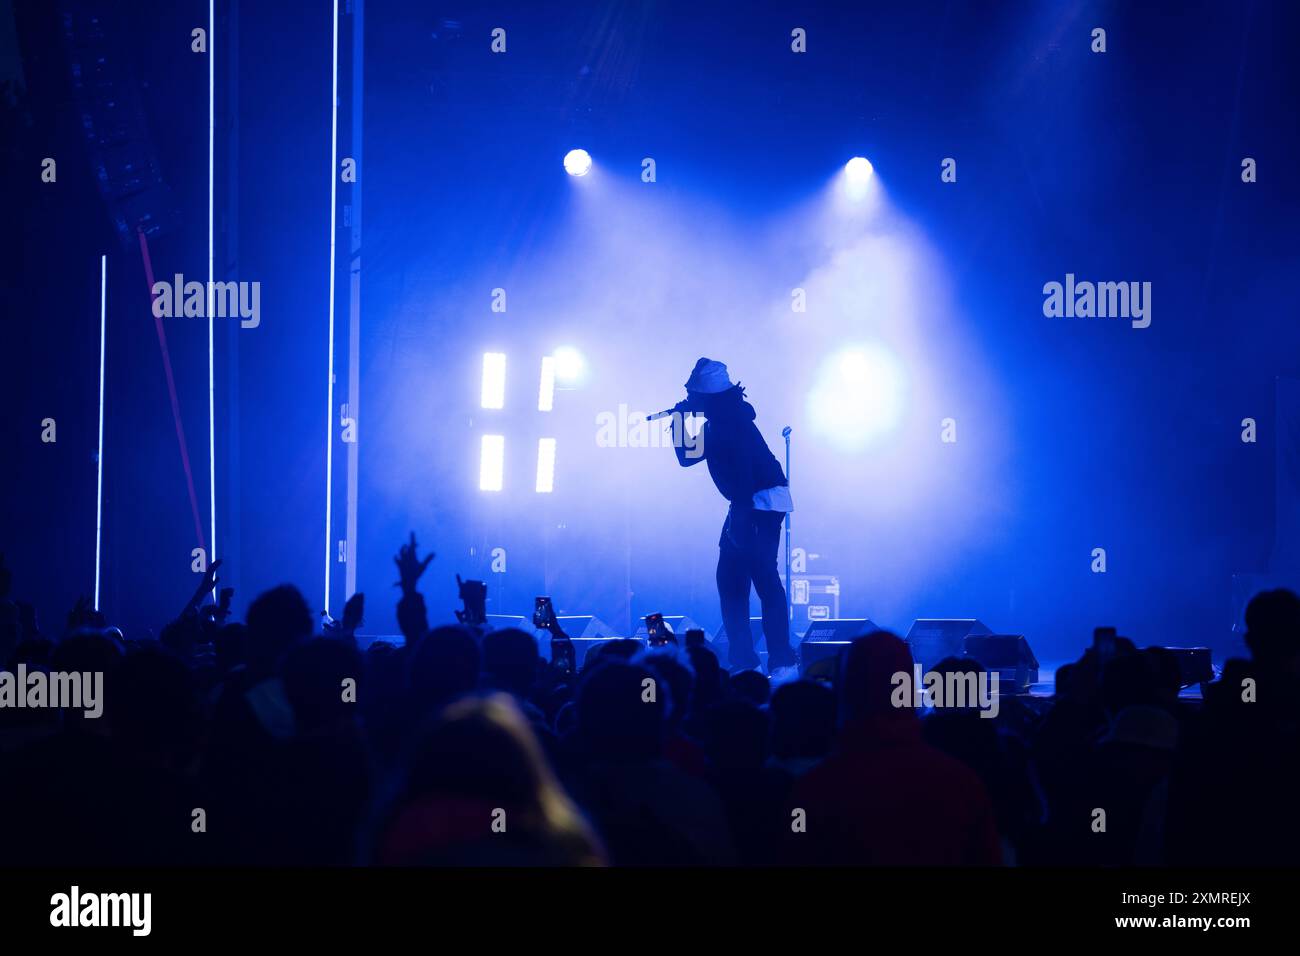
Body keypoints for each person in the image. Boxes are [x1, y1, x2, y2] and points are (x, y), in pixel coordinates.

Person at [668, 358, 797, 677]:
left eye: (691, 395)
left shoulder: (730, 424)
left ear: (705, 396)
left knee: (762, 578)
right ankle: (747, 660)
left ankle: (779, 661)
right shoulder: (718, 420)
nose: (687, 398)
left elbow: (743, 476)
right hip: (748, 503)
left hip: (758, 503)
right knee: (732, 581)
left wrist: (742, 519)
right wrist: (679, 421)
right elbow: (687, 457)